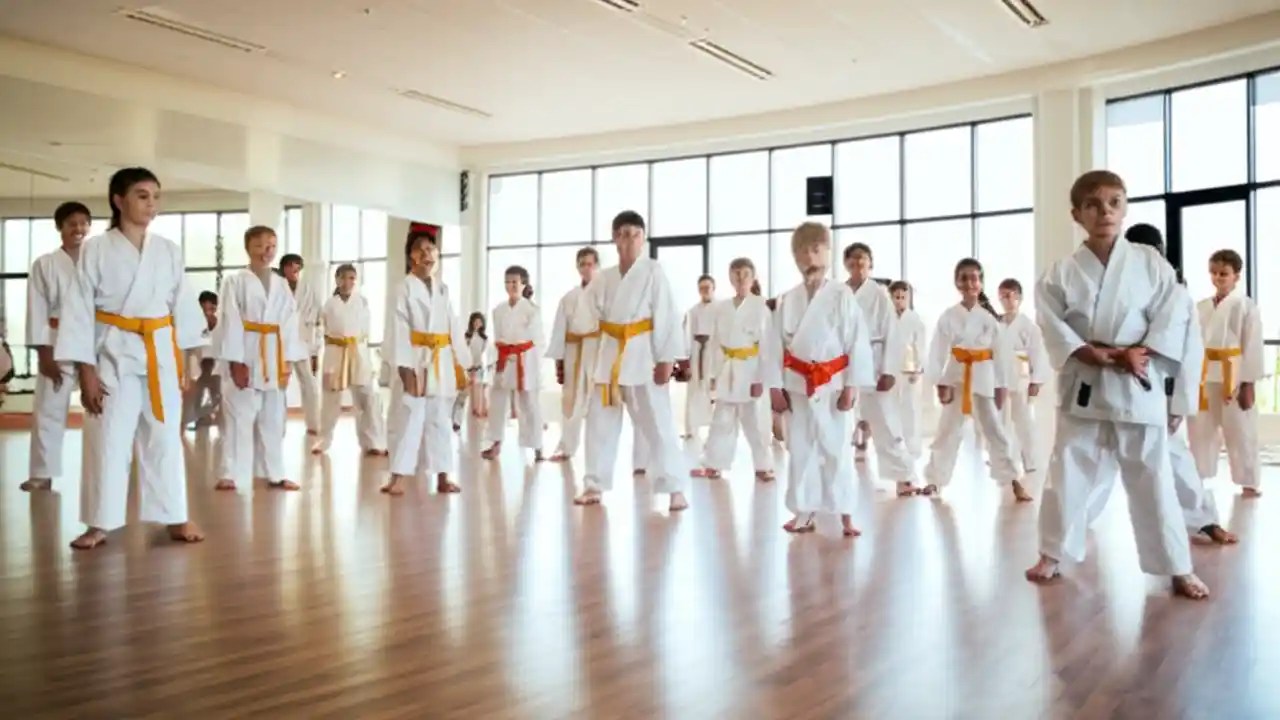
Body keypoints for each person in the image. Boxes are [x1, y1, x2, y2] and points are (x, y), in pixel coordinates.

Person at [1026, 170, 1208, 599]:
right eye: (1092, 204)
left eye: (1113, 202)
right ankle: (1052, 552)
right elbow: (1050, 323)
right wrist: (1091, 352)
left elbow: (1173, 316)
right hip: (1086, 382)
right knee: (1067, 472)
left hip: (1138, 379)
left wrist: (1141, 353)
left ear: (1125, 208)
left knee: (1153, 478)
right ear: (1077, 214)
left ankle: (1177, 566)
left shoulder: (1150, 263)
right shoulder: (1060, 274)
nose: (1104, 211)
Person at [56, 167, 205, 549]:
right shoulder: (96, 249)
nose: (151, 204)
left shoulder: (168, 250)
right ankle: (99, 522)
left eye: (155, 196)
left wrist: (188, 362)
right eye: (142, 195)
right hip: (112, 354)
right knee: (108, 438)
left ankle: (174, 515)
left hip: (160, 354)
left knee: (165, 438)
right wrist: (86, 371)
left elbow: (184, 306)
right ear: (119, 201)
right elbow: (78, 311)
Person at [1085, 223, 1236, 545]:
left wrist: (1178, 404)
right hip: (1110, 386)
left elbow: (1190, 353)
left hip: (1154, 392)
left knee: (1175, 457)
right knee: (1099, 457)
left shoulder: (1175, 293)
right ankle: (1073, 522)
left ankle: (1204, 520)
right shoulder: (1107, 289)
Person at [574, 210, 690, 512]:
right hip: (610, 357)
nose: (630, 241)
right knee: (599, 424)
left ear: (643, 238)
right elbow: (586, 315)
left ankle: (675, 488)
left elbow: (668, 315)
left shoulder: (653, 271)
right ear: (615, 238)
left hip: (642, 356)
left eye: (636, 235)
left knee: (658, 423)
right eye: (624, 235)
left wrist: (666, 359)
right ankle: (594, 484)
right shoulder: (603, 278)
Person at [763, 222, 872, 536]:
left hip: (833, 383)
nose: (809, 257)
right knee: (800, 448)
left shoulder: (841, 295)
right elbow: (773, 346)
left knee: (836, 449)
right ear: (795, 258)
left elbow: (856, 341)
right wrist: (774, 387)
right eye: (802, 252)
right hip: (797, 383)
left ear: (827, 252)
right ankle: (804, 509)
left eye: (816, 249)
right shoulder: (786, 300)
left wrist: (852, 385)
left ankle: (845, 513)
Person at [920, 259, 1031, 503]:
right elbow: (937, 351)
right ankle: (935, 480)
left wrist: (1001, 386)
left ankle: (1013, 479)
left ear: (981, 283)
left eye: (974, 278)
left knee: (995, 431)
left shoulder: (989, 319)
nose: (970, 283)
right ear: (956, 283)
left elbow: (1000, 355)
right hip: (956, 376)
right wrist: (940, 382)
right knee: (947, 430)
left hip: (983, 377)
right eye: (964, 278)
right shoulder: (948, 316)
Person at [213, 226, 309, 492]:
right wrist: (235, 361)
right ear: (248, 248)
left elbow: (289, 323)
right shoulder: (235, 281)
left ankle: (274, 472)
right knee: (238, 415)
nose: (267, 251)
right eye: (260, 245)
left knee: (274, 418)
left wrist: (287, 360)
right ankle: (230, 472)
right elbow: (230, 320)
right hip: (246, 350)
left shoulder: (281, 284)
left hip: (273, 354)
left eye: (272, 246)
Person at [383, 234, 470, 496]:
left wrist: (464, 362)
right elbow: (397, 329)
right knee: (409, 418)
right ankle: (398, 476)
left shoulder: (442, 288)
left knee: (440, 419)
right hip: (415, 358)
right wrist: (405, 368)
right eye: (420, 250)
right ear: (410, 256)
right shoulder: (403, 288)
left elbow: (453, 325)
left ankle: (443, 476)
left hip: (441, 358)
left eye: (431, 249)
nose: (427, 255)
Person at [23, 201, 90, 492]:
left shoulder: (98, 260)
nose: (78, 228)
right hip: (57, 340)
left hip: (94, 342)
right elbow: (36, 309)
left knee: (105, 408)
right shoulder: (45, 264)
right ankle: (42, 473)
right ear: (60, 227)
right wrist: (43, 353)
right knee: (49, 408)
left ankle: (113, 468)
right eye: (72, 223)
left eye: (83, 223)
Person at [843, 243, 920, 496]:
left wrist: (889, 370)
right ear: (846, 264)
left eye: (863, 260)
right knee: (835, 421)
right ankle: (830, 481)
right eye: (853, 260)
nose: (858, 264)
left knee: (886, 421)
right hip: (843, 363)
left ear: (870, 264)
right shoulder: (839, 292)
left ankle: (904, 477)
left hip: (874, 363)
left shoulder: (879, 294)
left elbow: (892, 334)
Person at [1187, 248, 1264, 498]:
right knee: (1201, 429)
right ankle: (1198, 474)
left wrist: (1248, 383)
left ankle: (1249, 480)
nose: (1218, 278)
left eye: (1224, 273)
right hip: (1204, 374)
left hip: (1234, 375)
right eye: (1214, 273)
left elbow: (1252, 345)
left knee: (1241, 429)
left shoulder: (1245, 306)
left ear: (1236, 276)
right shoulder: (1201, 307)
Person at [692, 258, 774, 481]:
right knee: (721, 420)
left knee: (755, 422)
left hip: (751, 369)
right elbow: (715, 342)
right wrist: (712, 374)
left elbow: (768, 346)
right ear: (730, 278)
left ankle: (763, 466)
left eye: (745, 274)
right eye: (736, 274)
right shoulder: (722, 308)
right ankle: (713, 463)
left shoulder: (761, 307)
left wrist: (761, 378)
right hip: (727, 368)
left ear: (753, 277)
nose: (740, 279)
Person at [313, 263, 388, 456]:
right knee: (330, 399)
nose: (348, 282)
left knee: (367, 398)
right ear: (337, 280)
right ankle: (323, 440)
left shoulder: (362, 302)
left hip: (358, 351)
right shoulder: (328, 305)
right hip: (335, 352)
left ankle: (374, 441)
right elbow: (319, 331)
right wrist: (314, 352)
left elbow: (366, 329)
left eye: (352, 278)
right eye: (344, 278)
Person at [481, 266, 545, 462]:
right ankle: (495, 443)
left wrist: (533, 365)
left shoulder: (532, 310)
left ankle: (537, 446)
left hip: (525, 359)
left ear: (523, 283)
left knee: (529, 403)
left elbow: (537, 340)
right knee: (497, 402)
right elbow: (498, 337)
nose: (511, 286)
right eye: (507, 282)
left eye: (515, 282)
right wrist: (494, 360)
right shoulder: (498, 310)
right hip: (503, 358)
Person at [547, 247, 602, 462]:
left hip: (597, 350)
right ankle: (566, 446)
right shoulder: (568, 298)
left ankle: (598, 451)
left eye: (590, 264)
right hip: (573, 351)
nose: (587, 268)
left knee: (599, 402)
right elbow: (559, 330)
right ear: (577, 268)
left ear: (597, 266)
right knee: (570, 400)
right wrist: (558, 362)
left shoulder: (605, 294)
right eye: (582, 264)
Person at [995, 278, 1050, 475]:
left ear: (1019, 297)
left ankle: (1030, 460)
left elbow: (1037, 354)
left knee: (1024, 421)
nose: (1007, 300)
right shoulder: (996, 324)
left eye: (1010, 295)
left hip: (1021, 377)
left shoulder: (1029, 327)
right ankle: (1003, 459)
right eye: (1003, 296)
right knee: (1001, 420)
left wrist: (1036, 381)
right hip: (1000, 378)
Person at [279, 253, 322, 434]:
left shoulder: (307, 288)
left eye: (297, 266)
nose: (294, 269)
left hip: (302, 342)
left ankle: (314, 424)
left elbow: (316, 319)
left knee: (310, 384)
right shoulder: (276, 287)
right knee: (280, 386)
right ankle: (278, 424)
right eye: (291, 266)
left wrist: (315, 351)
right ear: (284, 268)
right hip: (281, 342)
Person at [888, 281, 926, 458]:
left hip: (910, 369)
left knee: (911, 408)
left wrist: (918, 368)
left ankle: (913, 447)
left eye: (903, 297)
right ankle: (895, 444)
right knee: (891, 406)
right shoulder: (887, 318)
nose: (900, 300)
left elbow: (920, 345)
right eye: (896, 297)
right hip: (891, 369)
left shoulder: (914, 319)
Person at [682, 275, 718, 439]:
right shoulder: (693, 311)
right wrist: (687, 360)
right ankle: (691, 430)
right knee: (693, 390)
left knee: (714, 391)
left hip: (714, 350)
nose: (704, 291)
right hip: (697, 351)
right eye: (701, 288)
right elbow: (688, 335)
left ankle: (716, 431)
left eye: (707, 288)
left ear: (713, 288)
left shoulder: (721, 309)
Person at [182, 290, 221, 428]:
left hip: (217, 368)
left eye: (211, 309)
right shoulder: (193, 326)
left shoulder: (222, 325)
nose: (207, 313)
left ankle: (208, 416)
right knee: (194, 398)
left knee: (218, 397)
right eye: (204, 309)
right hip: (198, 369)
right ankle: (199, 418)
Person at [452, 312, 489, 430]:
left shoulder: (484, 339)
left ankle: (476, 424)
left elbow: (483, 354)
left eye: (479, 321)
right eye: (475, 321)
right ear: (472, 322)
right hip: (467, 370)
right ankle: (456, 421)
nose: (477, 324)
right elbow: (463, 353)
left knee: (477, 398)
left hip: (478, 370)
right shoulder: (466, 337)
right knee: (462, 396)